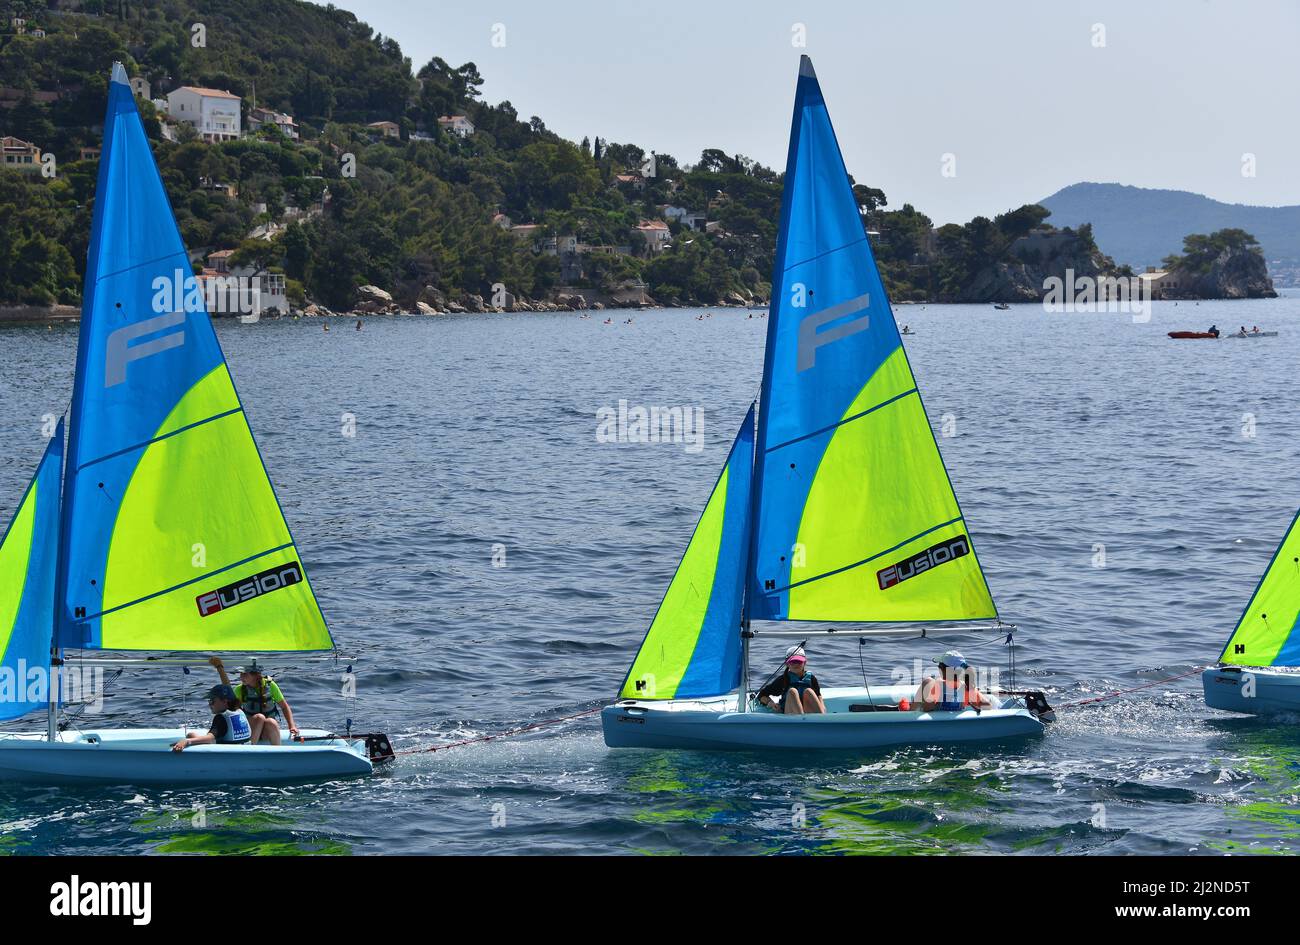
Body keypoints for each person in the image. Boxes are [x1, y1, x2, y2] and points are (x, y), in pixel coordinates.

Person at [209, 658, 301, 745]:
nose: (241, 677)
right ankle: (250, 749)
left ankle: (278, 754)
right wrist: (220, 667)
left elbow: (284, 707)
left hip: (266, 731)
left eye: (245, 674)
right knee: (259, 717)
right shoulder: (240, 689)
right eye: (241, 674)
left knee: (271, 722)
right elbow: (227, 688)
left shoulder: (271, 686)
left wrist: (292, 726)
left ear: (256, 675)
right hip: (250, 729)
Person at [172, 684, 250, 751]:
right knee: (192, 735)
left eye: (212, 700)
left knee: (190, 736)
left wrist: (187, 741)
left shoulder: (221, 718)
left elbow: (210, 738)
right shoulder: (240, 711)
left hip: (227, 757)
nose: (210, 704)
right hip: (244, 751)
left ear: (225, 701)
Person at [757, 646, 825, 715]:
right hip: (790, 714)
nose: (796, 664)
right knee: (792, 691)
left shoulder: (812, 679)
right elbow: (761, 695)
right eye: (793, 662)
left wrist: (822, 707)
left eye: (799, 661)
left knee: (809, 691)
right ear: (787, 664)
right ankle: (801, 721)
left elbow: (818, 695)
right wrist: (770, 703)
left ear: (804, 662)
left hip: (807, 713)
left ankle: (822, 720)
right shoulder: (783, 679)